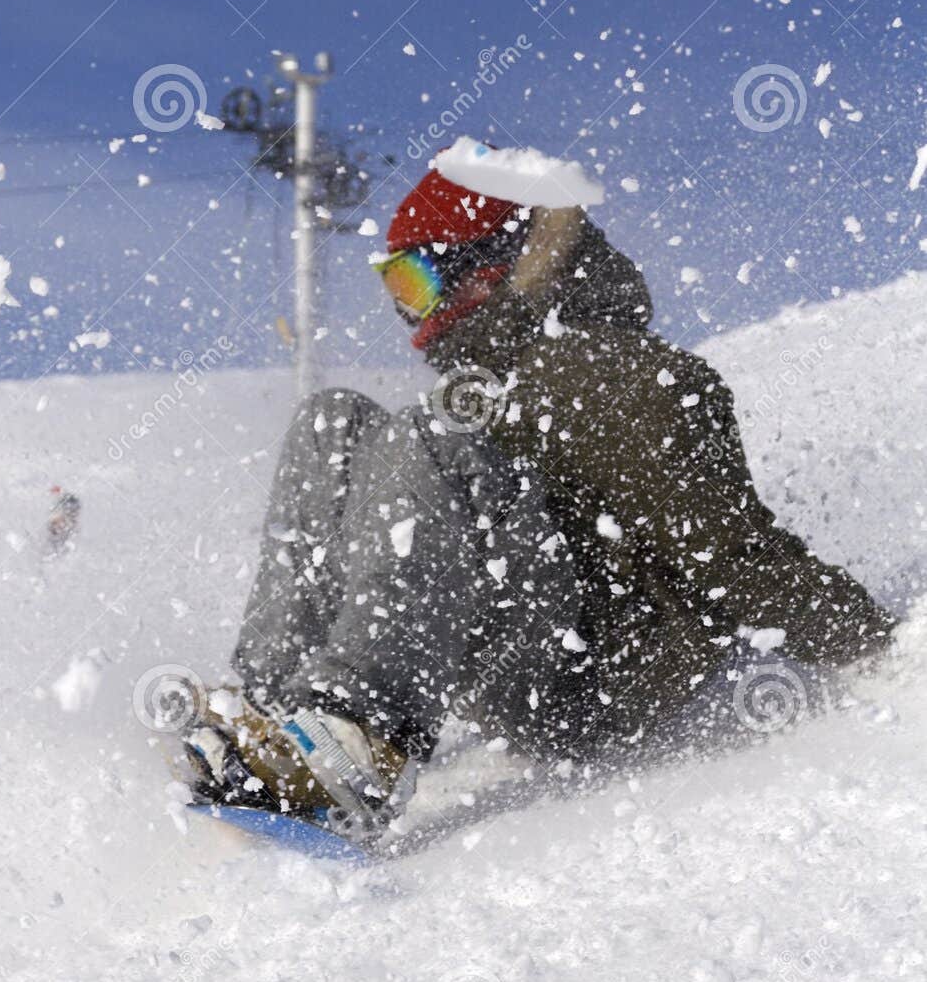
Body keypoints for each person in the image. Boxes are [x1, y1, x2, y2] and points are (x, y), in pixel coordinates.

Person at [178, 157, 896, 835]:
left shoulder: (623, 373)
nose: (412, 315)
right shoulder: (489, 384)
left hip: (600, 676)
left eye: (417, 282)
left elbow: (734, 558)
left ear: (492, 267)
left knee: (432, 429)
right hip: (519, 656)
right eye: (397, 292)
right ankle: (270, 717)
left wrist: (887, 652)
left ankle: (358, 745)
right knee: (332, 419)